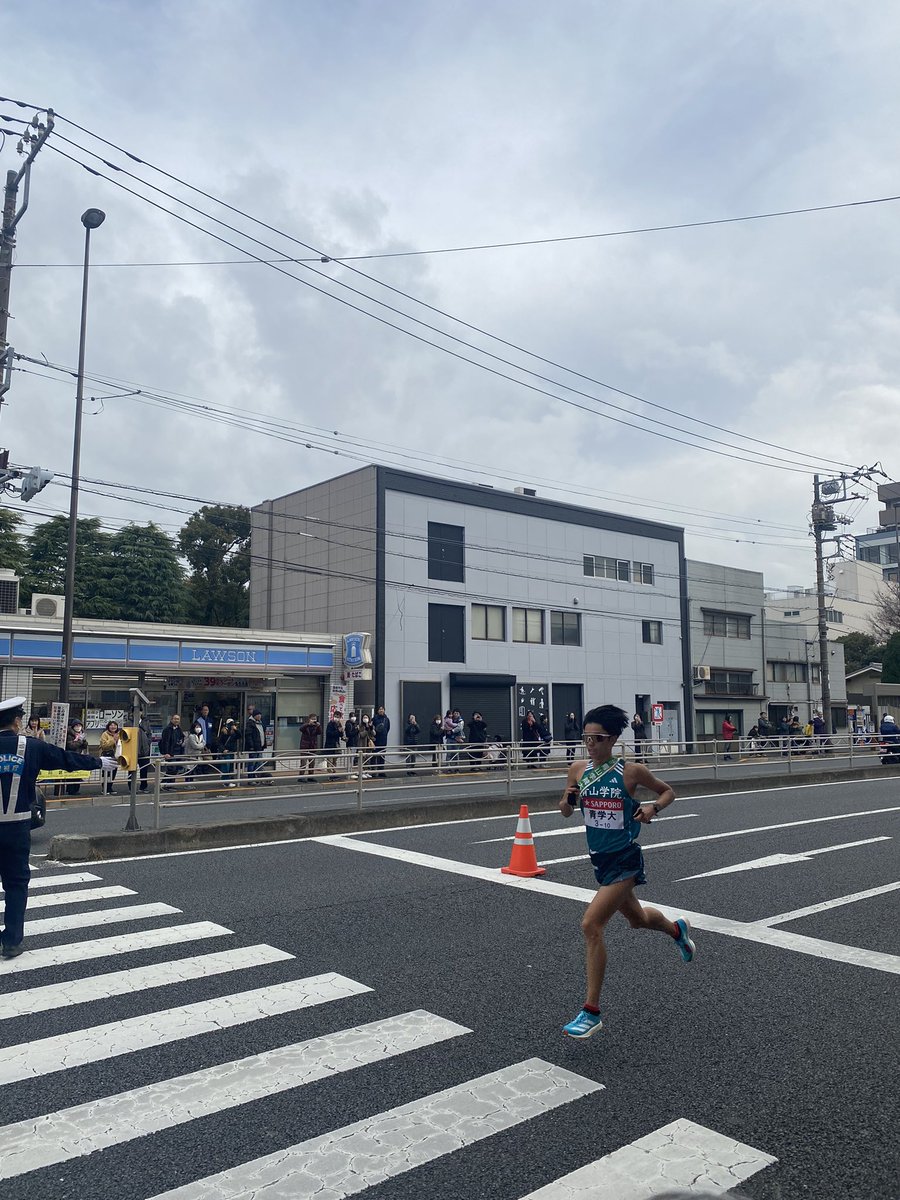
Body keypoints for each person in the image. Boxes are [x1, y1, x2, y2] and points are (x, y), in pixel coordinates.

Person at [558, 703, 695, 1039]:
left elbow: (668, 791)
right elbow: (564, 811)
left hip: (625, 858)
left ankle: (591, 1012)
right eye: (586, 738)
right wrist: (568, 800)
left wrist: (652, 808)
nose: (590, 744)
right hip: (600, 859)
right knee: (637, 919)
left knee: (591, 924)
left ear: (613, 739)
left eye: (597, 738)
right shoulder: (577, 769)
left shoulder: (630, 772)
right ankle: (677, 931)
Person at [0, 695, 110, 959]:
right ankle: (11, 941)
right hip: (17, 827)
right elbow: (65, 759)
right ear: (17, 721)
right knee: (16, 884)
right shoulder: (32, 746)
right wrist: (98, 762)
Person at [64, 719, 89, 795]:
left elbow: (84, 746)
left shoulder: (82, 734)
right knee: (72, 774)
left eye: (80, 725)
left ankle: (76, 789)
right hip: (71, 756)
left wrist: (84, 742)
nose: (78, 727)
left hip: (79, 756)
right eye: (76, 725)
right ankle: (71, 790)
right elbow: (71, 746)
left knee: (78, 774)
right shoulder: (69, 734)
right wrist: (80, 741)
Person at [160, 713, 185, 782]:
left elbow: (182, 737)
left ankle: (170, 784)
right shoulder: (167, 729)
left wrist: (181, 741)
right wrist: (166, 753)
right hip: (170, 753)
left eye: (178, 719)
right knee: (172, 769)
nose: (176, 720)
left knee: (176, 769)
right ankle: (164, 783)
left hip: (178, 752)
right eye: (175, 719)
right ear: (171, 720)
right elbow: (165, 742)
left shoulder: (179, 729)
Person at [298, 714, 323, 781]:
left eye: (315, 719)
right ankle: (301, 777)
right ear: (309, 719)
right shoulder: (306, 725)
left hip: (312, 746)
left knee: (312, 763)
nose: (314, 720)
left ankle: (310, 776)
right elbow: (301, 729)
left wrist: (319, 726)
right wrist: (308, 724)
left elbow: (320, 732)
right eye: (312, 719)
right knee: (303, 763)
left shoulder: (316, 726)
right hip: (304, 746)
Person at [99, 720, 120, 794]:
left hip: (115, 755)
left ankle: (110, 787)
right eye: (111, 725)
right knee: (106, 773)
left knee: (113, 772)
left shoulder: (119, 734)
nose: (113, 727)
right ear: (108, 726)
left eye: (115, 725)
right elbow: (104, 745)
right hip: (106, 755)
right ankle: (104, 788)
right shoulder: (105, 734)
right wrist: (113, 740)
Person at [220, 717, 242, 785]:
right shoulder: (224, 732)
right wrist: (223, 749)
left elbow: (240, 735)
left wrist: (236, 730)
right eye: (231, 724)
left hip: (232, 752)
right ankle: (225, 782)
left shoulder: (234, 732)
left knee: (231, 768)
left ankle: (229, 780)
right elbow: (220, 742)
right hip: (226, 752)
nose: (232, 725)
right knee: (226, 767)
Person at [244, 708, 265, 775]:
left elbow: (262, 734)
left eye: (260, 714)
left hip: (260, 747)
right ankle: (251, 777)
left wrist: (264, 744)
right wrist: (251, 746)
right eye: (258, 715)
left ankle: (256, 776)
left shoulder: (260, 723)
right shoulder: (250, 723)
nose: (259, 716)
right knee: (252, 763)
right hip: (254, 748)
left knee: (258, 763)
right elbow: (248, 735)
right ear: (254, 715)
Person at [323, 712, 343, 781]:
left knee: (335, 760)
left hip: (336, 745)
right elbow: (329, 734)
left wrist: (341, 731)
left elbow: (340, 735)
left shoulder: (339, 724)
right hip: (330, 745)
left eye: (338, 717)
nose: (336, 718)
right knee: (330, 761)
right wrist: (337, 731)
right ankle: (330, 775)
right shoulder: (330, 724)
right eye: (335, 716)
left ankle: (334, 773)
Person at [372, 705, 390, 777]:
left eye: (382, 709)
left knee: (382, 756)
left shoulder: (386, 719)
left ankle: (381, 771)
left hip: (383, 740)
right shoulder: (374, 719)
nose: (381, 710)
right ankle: (374, 771)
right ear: (377, 711)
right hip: (376, 740)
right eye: (380, 709)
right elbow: (372, 729)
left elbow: (388, 729)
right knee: (374, 756)